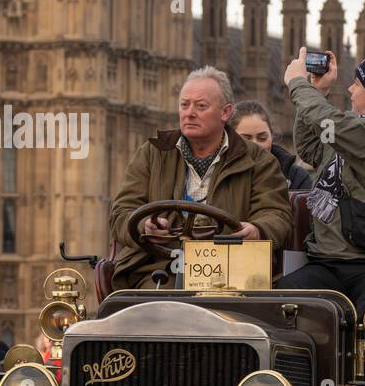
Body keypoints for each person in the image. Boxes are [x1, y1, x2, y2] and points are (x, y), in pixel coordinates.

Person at [108, 67, 293, 290]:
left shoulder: (259, 161)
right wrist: (144, 225)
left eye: (201, 106)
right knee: (157, 312)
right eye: (184, 105)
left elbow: (277, 215)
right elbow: (121, 212)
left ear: (226, 112)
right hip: (160, 268)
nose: (189, 113)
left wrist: (258, 230)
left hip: (232, 270)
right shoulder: (153, 153)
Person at [276, 48, 365, 315]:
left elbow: (332, 124)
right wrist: (317, 91)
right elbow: (310, 148)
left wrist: (298, 84)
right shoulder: (354, 129)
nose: (349, 89)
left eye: (357, 84)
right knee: (282, 307)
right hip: (328, 262)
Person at [232, 99, 313, 191]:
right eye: (246, 139)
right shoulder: (217, 173)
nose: (256, 145)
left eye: (262, 138)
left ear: (272, 136)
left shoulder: (296, 177)